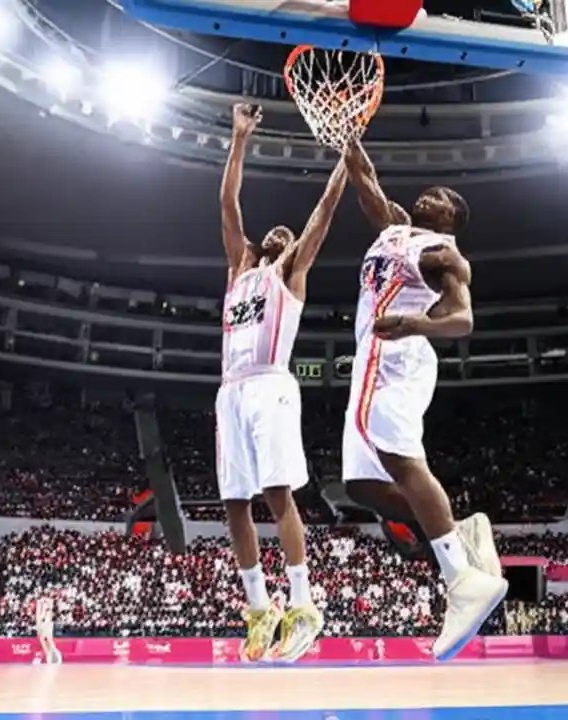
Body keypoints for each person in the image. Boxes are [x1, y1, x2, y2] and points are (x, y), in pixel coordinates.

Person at [338, 137, 506, 661]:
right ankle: (462, 530)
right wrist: (347, 132)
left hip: (400, 355)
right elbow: (364, 178)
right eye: (428, 192)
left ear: (451, 220)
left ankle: (461, 579)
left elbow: (463, 320)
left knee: (401, 461)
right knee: (361, 484)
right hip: (372, 357)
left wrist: (414, 324)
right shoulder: (394, 228)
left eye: (441, 197)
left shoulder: (443, 255)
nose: (428, 196)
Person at [217, 103, 349, 663]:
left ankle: (302, 603)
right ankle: (258, 607)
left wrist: (347, 159)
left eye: (286, 233)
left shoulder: (289, 274)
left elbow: (322, 214)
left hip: (270, 384)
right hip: (230, 389)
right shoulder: (238, 271)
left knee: (277, 494)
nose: (278, 230)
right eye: (271, 230)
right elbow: (228, 205)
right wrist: (239, 138)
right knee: (233, 504)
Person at [35, 596, 62, 665]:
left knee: (48, 639)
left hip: (46, 622)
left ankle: (54, 657)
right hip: (42, 622)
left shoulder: (49, 607)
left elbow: (49, 610)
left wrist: (46, 602)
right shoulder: (43, 605)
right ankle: (50, 656)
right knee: (43, 639)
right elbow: (39, 614)